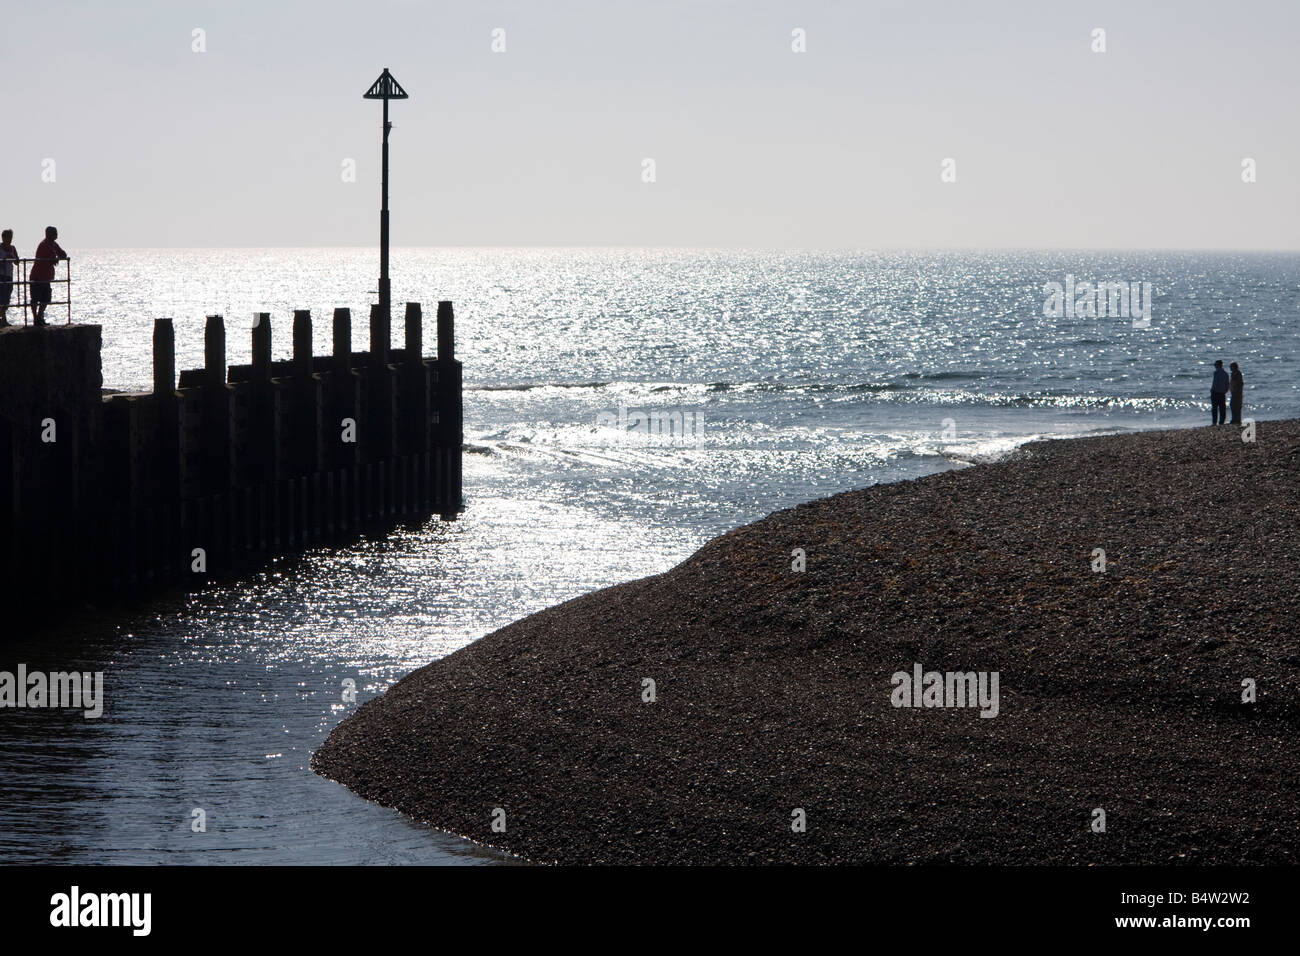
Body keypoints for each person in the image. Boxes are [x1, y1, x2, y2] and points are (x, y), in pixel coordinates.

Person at [29, 225, 67, 327]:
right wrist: (55, 258)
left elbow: (62, 253)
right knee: (35, 299)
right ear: (48, 234)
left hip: (46, 278)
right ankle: (36, 318)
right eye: (54, 233)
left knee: (45, 299)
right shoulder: (43, 245)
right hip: (37, 276)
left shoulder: (54, 244)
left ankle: (39, 317)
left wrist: (60, 255)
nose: (56, 235)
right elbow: (51, 257)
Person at [0, 230, 17, 327]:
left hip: (9, 276)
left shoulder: (13, 248)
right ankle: (3, 320)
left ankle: (2, 319)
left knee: (7, 298)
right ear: (3, 238)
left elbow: (17, 262)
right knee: (2, 298)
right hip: (1, 276)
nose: (9, 239)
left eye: (11, 237)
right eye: (8, 237)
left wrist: (13, 258)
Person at [1210, 360, 1229, 426]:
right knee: (1222, 408)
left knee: (1214, 408)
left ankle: (1214, 422)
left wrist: (1212, 390)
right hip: (1222, 393)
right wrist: (1225, 390)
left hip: (1215, 392)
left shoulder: (1216, 373)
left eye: (1215, 364)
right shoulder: (1226, 373)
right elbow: (1227, 384)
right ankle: (1221, 422)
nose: (1214, 366)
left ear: (1217, 365)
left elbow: (1215, 383)